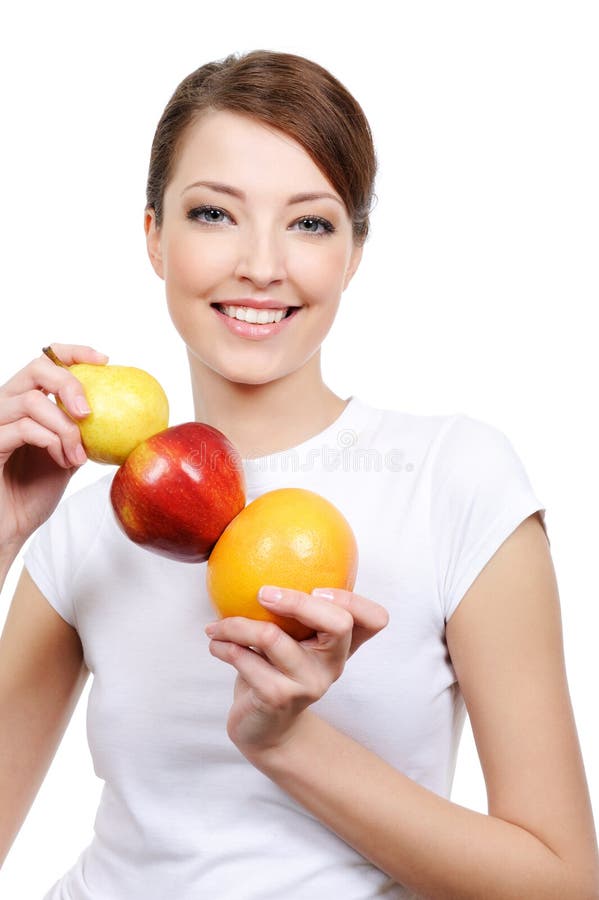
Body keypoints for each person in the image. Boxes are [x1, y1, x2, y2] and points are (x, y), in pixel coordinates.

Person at [0, 49, 597, 900]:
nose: (261, 264)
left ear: (353, 252)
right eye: (214, 214)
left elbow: (561, 883)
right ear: (153, 238)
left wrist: (287, 742)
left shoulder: (452, 480)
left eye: (310, 223)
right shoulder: (86, 520)